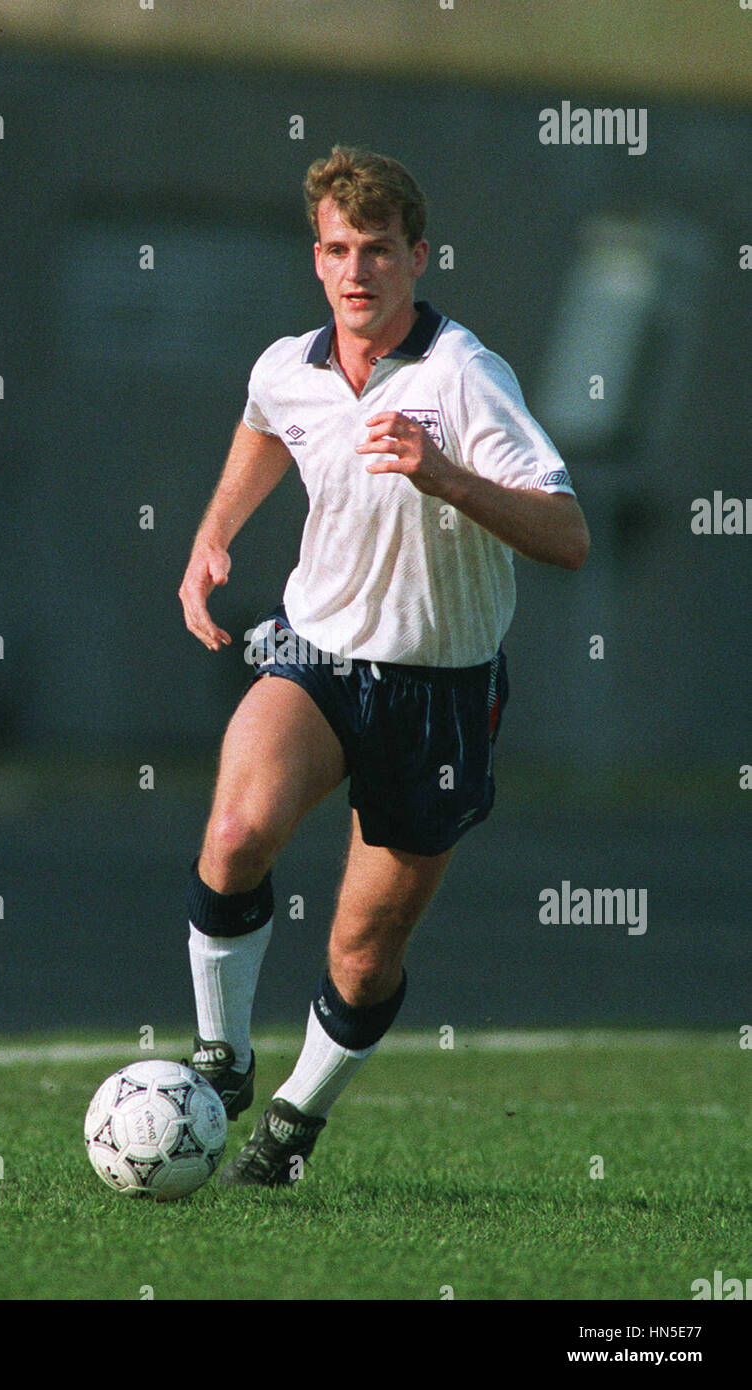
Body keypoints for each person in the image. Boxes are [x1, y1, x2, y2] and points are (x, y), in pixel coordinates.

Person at [177, 146, 589, 1187]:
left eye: (375, 250)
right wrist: (214, 532)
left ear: (417, 255)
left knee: (360, 952)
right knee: (233, 835)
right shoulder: (288, 363)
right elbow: (266, 423)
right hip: (313, 651)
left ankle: (287, 1129)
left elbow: (569, 535)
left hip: (438, 690)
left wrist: (445, 476)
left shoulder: (465, 378)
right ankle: (218, 1058)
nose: (355, 271)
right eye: (335, 250)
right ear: (314, 259)